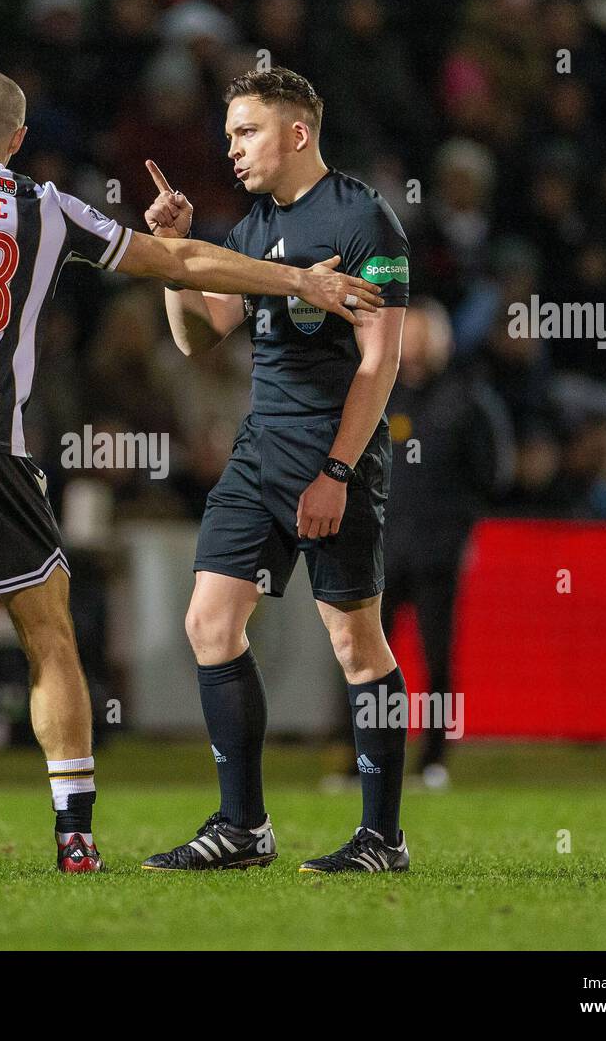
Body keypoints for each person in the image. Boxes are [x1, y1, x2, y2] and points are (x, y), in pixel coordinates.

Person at [0, 69, 380, 874]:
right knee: (50, 634)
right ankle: (75, 831)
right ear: (18, 140)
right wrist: (299, 278)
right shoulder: (48, 206)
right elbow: (182, 260)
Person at [139, 67, 413, 874]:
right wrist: (172, 257)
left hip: (336, 456)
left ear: (297, 133)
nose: (232, 149)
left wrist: (336, 469)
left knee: (356, 644)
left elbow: (379, 364)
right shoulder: (254, 225)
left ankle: (382, 839)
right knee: (209, 622)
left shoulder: (363, 218)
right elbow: (199, 338)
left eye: (246, 132)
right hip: (260, 448)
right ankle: (242, 827)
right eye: (229, 135)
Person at [333, 299, 514, 790]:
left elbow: (494, 472)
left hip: (437, 551)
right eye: (407, 332)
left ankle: (433, 760)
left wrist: (460, 525)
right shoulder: (376, 392)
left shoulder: (466, 398)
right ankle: (362, 759)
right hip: (379, 553)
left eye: (423, 334)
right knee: (363, 654)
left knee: (436, 659)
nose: (413, 343)